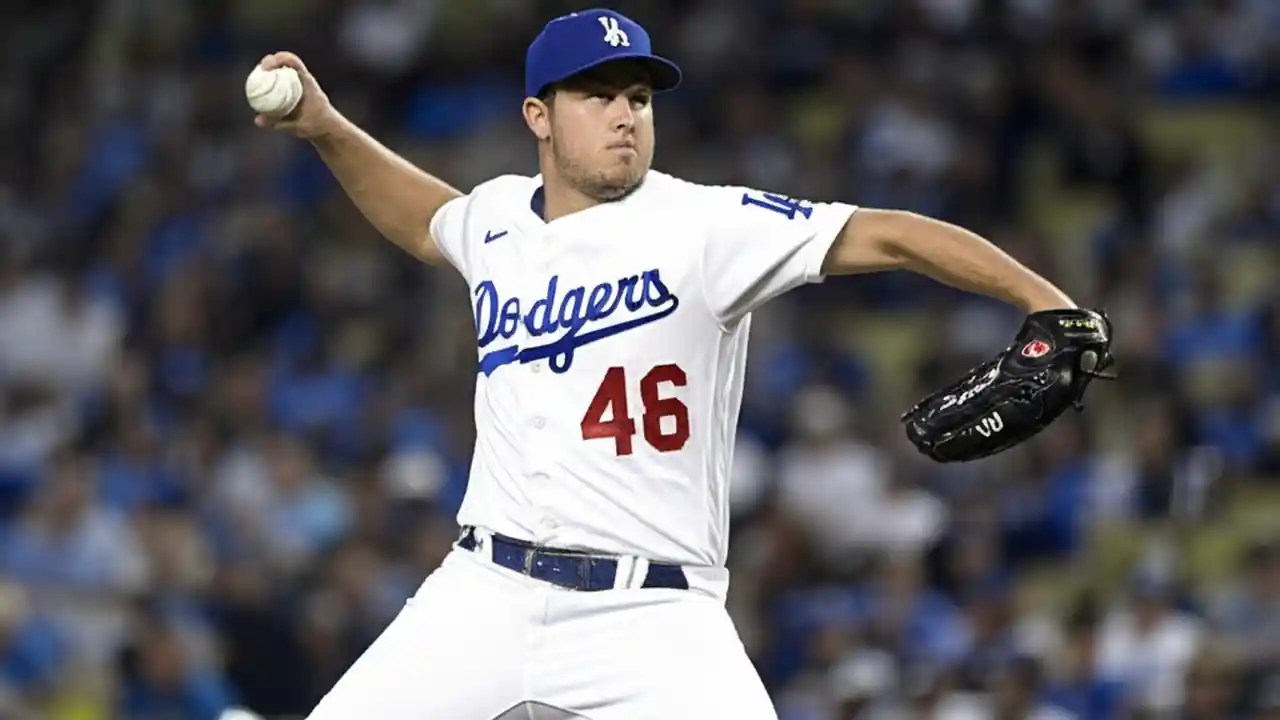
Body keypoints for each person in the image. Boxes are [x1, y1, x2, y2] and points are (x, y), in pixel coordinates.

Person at [253, 8, 1077, 719]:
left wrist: (1045, 301)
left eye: (639, 99)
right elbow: (429, 221)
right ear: (539, 116)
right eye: (598, 96)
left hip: (650, 615)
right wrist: (327, 129)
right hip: (485, 590)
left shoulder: (706, 225)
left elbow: (888, 234)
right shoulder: (499, 217)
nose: (625, 115)